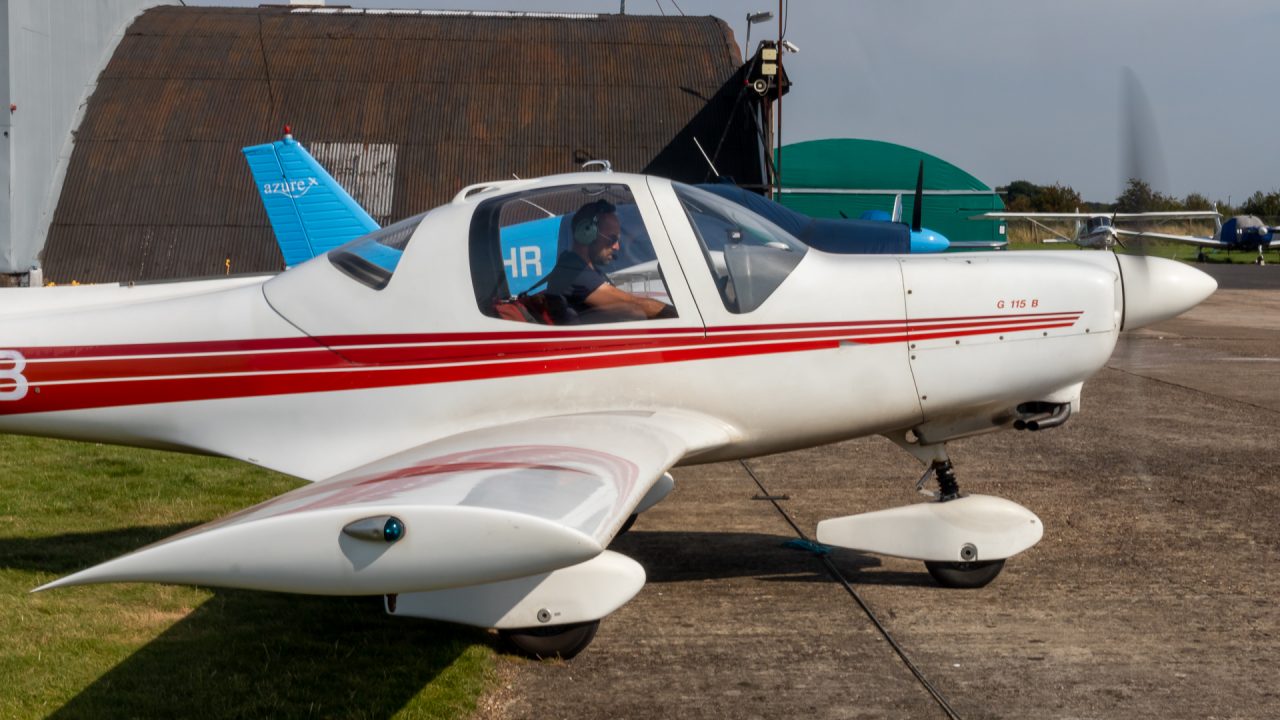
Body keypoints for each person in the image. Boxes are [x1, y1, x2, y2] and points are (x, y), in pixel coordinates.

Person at [544, 199, 676, 322]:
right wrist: (677, 315)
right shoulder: (573, 272)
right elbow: (635, 307)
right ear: (587, 232)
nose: (617, 247)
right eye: (612, 239)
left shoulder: (584, 269)